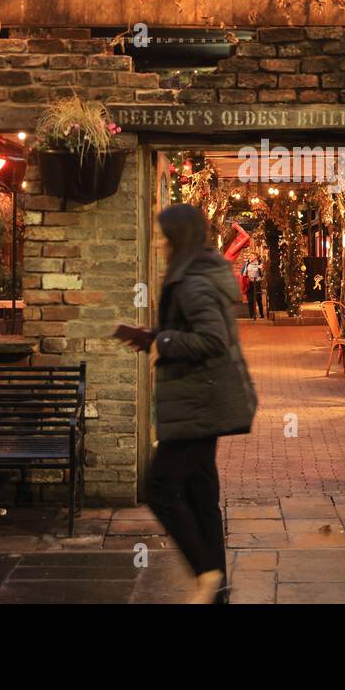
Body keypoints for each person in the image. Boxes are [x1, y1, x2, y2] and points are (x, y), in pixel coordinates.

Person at [113, 204, 258, 604]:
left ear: (179, 237)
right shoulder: (196, 273)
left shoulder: (192, 282)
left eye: (163, 234)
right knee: (200, 493)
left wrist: (163, 342)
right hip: (202, 400)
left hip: (199, 403)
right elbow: (192, 331)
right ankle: (219, 588)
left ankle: (207, 573)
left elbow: (211, 340)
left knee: (159, 487)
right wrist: (151, 337)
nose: (159, 242)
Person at [242, 253, 265, 320]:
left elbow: (262, 274)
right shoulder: (247, 264)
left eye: (251, 256)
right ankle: (251, 315)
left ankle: (261, 314)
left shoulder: (259, 264)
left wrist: (260, 269)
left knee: (258, 299)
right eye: (250, 256)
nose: (250, 257)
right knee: (250, 299)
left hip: (257, 283)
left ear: (256, 257)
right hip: (249, 283)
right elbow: (243, 273)